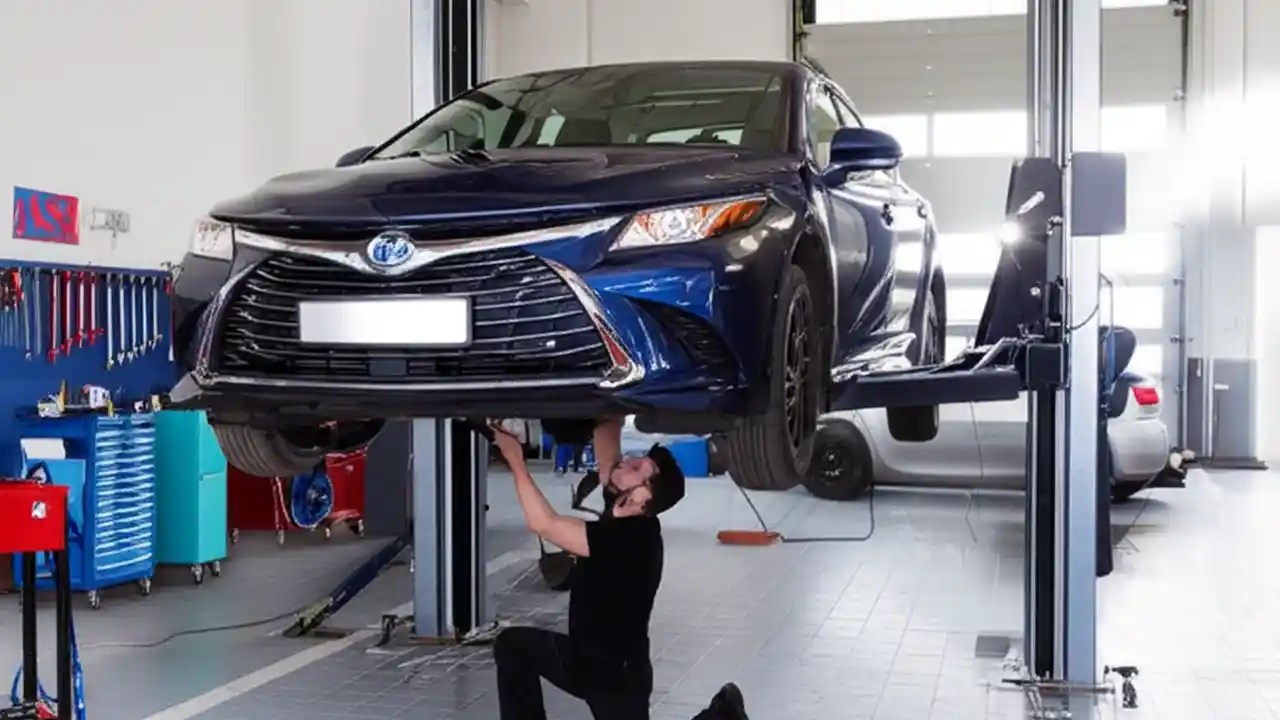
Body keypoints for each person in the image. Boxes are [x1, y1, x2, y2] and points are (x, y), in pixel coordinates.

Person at [488, 417, 749, 720]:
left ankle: (723, 717)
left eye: (638, 469)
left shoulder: (630, 537)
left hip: (615, 677)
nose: (628, 462)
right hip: (587, 660)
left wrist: (515, 460)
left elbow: (543, 524)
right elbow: (607, 443)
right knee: (513, 646)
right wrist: (609, 402)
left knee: (514, 647)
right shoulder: (624, 510)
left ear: (643, 499)